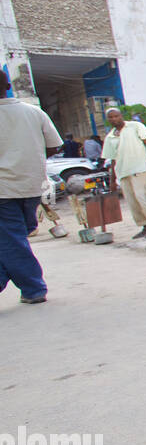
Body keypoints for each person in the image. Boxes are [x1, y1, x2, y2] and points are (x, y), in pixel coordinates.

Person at [0, 70, 63, 304]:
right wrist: (30, 152)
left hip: (4, 189)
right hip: (33, 184)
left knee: (12, 238)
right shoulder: (33, 112)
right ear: (7, 84)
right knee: (15, 237)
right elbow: (55, 146)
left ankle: (33, 288)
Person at [102, 108, 146, 239]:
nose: (114, 119)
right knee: (133, 202)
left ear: (121, 116)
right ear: (108, 120)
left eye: (116, 116)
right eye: (111, 117)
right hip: (123, 173)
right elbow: (113, 159)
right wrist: (112, 181)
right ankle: (145, 227)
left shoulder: (135, 126)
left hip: (139, 169)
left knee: (144, 198)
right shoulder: (110, 136)